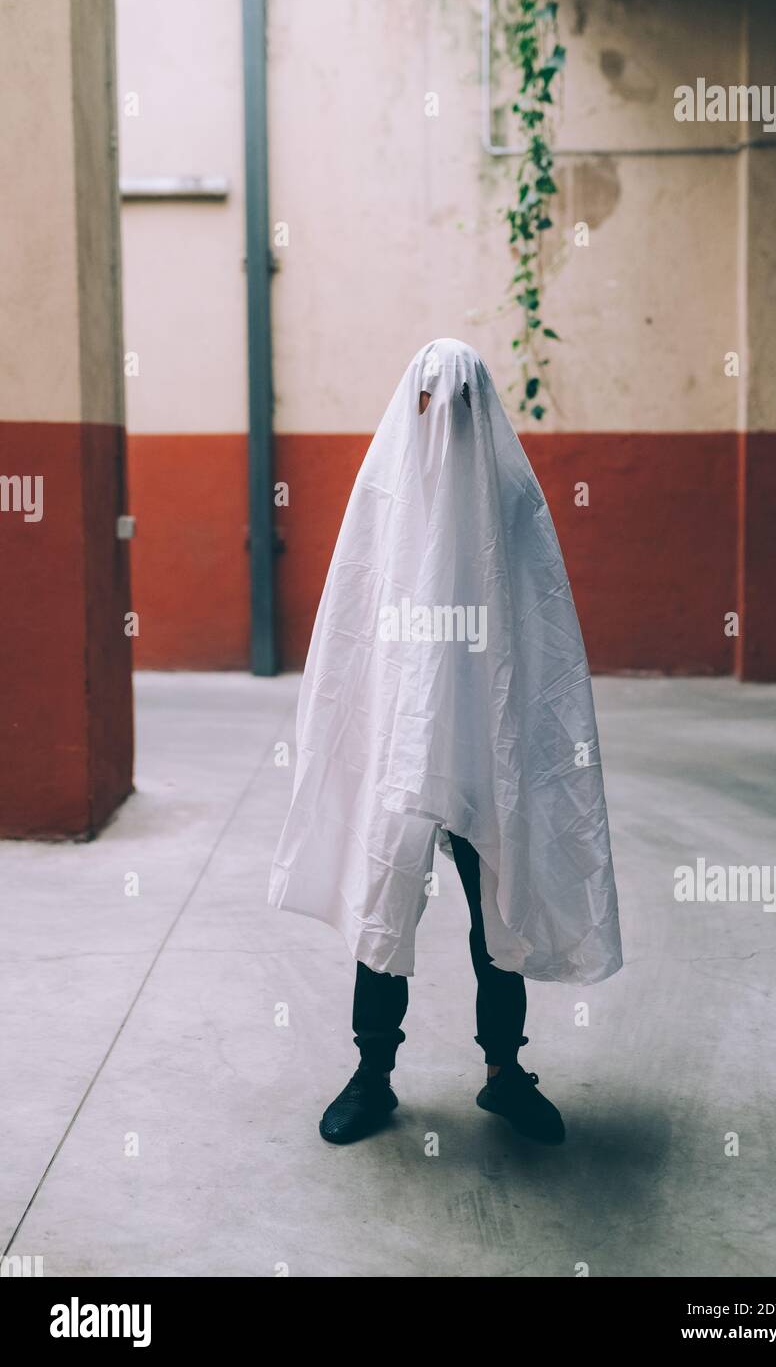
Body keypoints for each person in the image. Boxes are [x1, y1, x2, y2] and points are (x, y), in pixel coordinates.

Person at [269, 339, 623, 1145]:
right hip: (400, 739)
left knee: (500, 905)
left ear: (479, 411)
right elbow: (356, 623)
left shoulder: (512, 497)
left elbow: (542, 636)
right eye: (432, 402)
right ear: (413, 404)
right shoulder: (385, 492)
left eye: (461, 406)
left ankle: (505, 1073)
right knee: (384, 896)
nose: (445, 421)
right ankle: (372, 1074)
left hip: (489, 746)